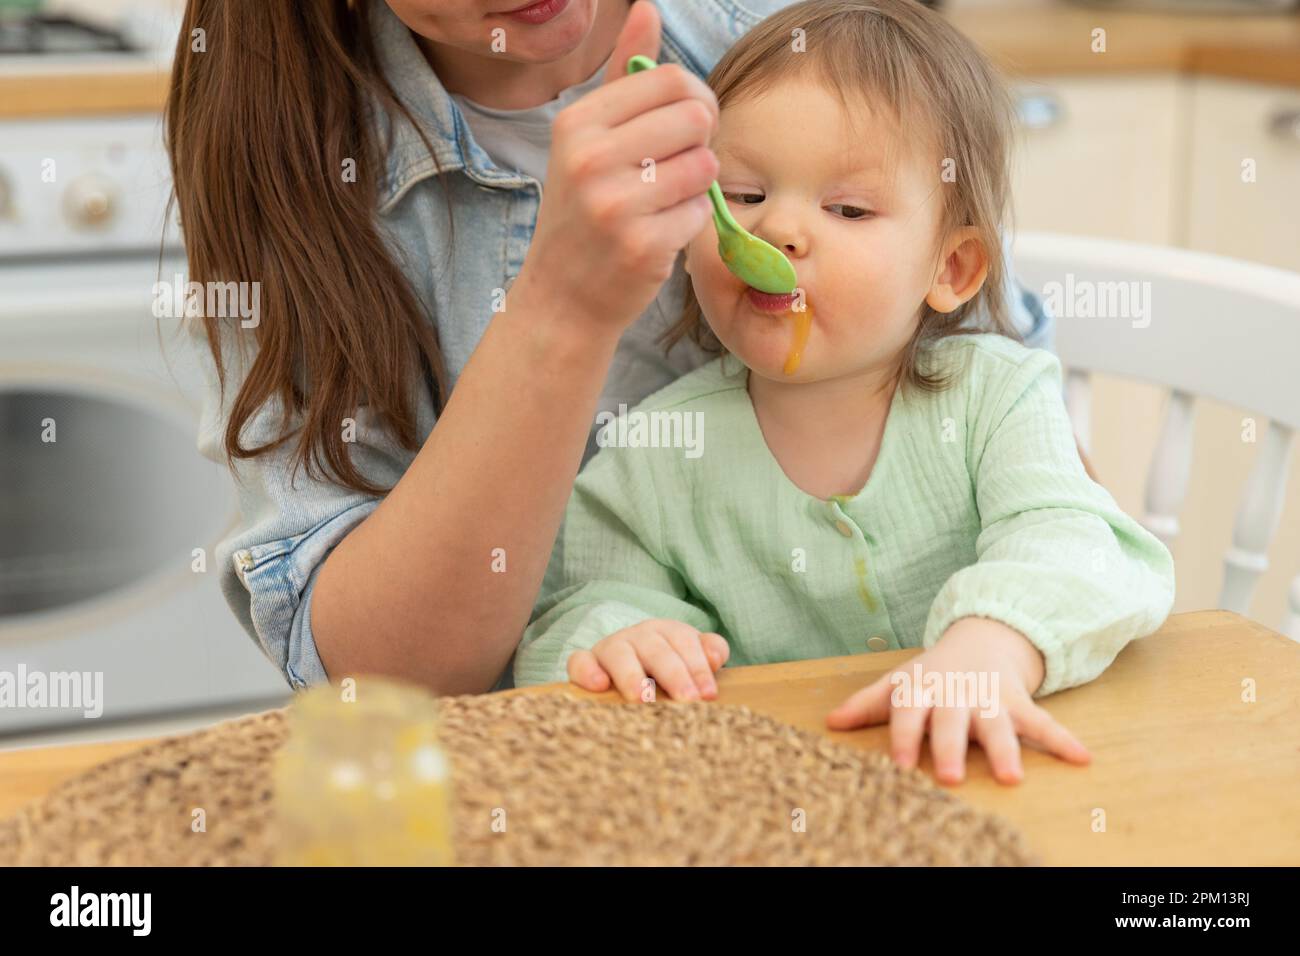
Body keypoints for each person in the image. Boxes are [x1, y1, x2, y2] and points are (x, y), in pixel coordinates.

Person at [512, 0, 1174, 785]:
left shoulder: (998, 397)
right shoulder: (656, 448)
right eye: (747, 196)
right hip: (777, 802)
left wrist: (992, 645)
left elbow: (1081, 544)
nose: (780, 231)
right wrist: (621, 637)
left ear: (950, 271)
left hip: (996, 776)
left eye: (848, 209)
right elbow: (574, 610)